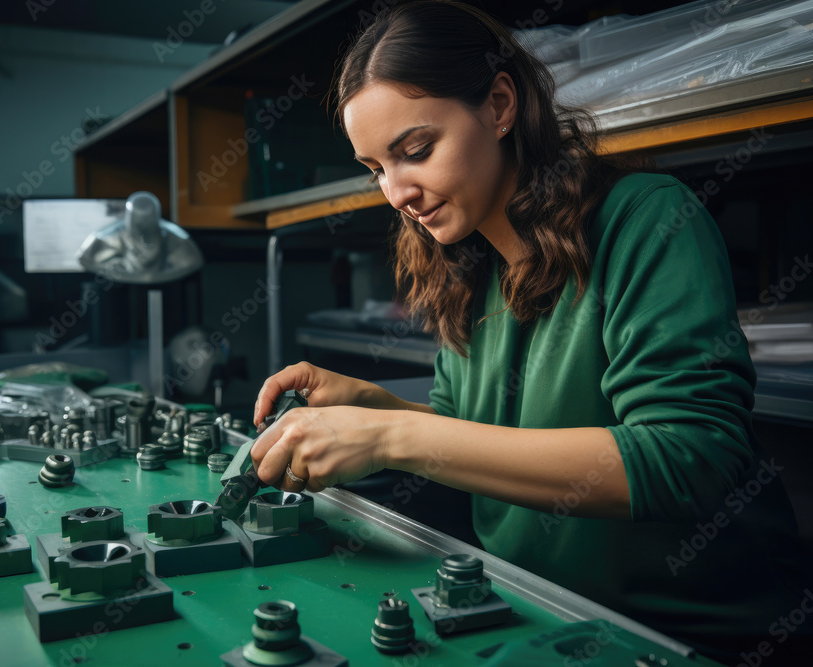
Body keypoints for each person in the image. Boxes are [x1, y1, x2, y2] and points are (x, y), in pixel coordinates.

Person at [248, 1, 810, 665]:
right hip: (538, 611)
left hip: (691, 638)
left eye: (416, 150)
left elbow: (687, 458)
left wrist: (393, 435)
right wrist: (373, 409)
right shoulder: (465, 267)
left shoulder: (648, 222)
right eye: (376, 168)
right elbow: (471, 438)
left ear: (500, 104)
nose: (396, 191)